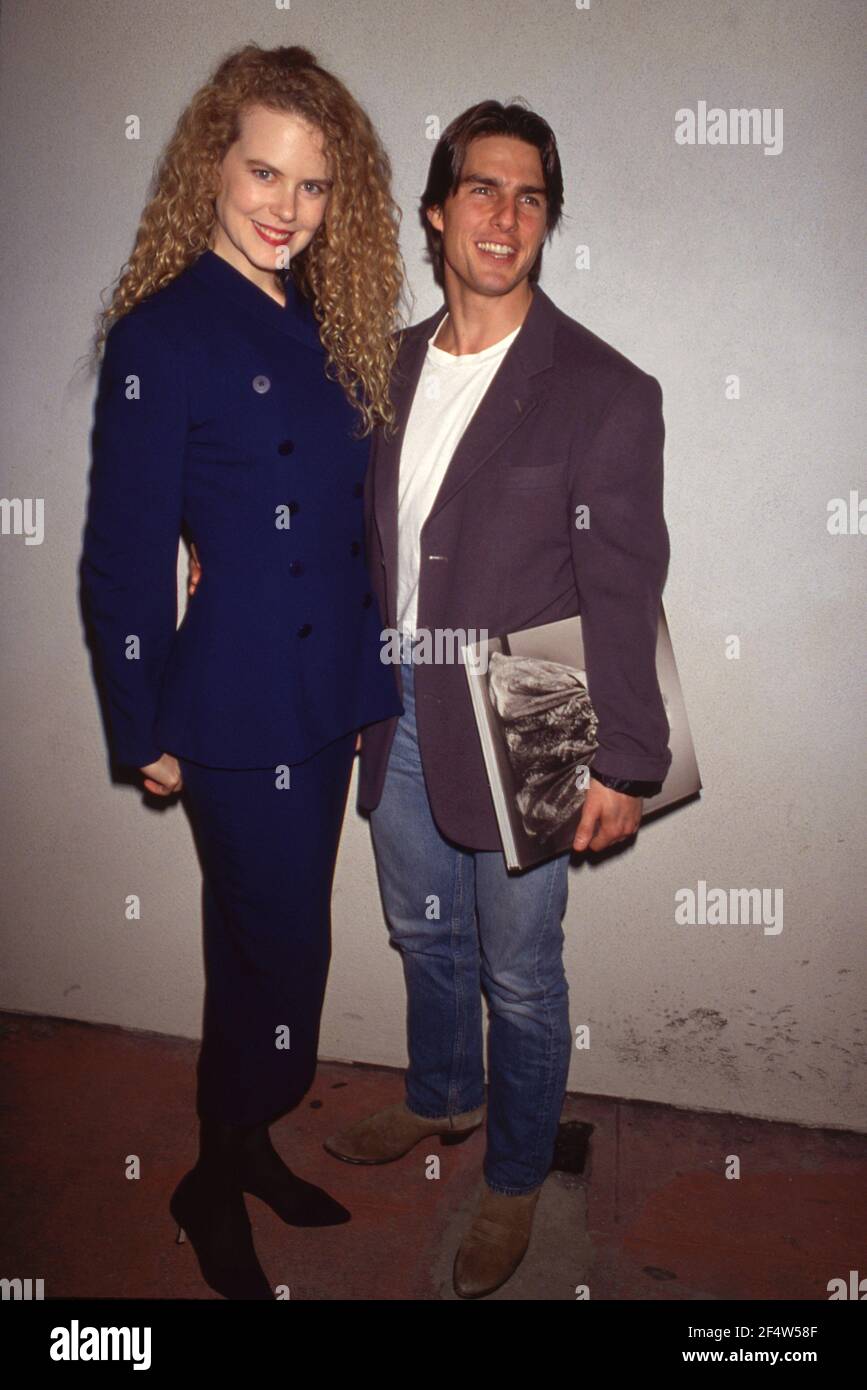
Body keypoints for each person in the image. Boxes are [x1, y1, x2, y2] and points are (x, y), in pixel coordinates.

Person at [322, 100, 673, 1299]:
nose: (506, 214)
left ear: (546, 221)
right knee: (424, 932)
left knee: (520, 973)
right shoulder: (387, 367)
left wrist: (627, 759)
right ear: (437, 208)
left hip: (527, 726)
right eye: (483, 188)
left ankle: (515, 1175)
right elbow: (355, 531)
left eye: (531, 197)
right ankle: (441, 1100)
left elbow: (624, 585)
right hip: (399, 712)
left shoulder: (603, 390)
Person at [80, 43, 404, 1300]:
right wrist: (141, 718)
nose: (286, 206)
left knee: (269, 943)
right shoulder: (159, 333)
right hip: (232, 707)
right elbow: (119, 558)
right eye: (264, 171)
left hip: (327, 699)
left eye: (315, 186)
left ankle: (246, 1142)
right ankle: (213, 1176)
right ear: (210, 164)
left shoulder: (325, 315)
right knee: (281, 953)